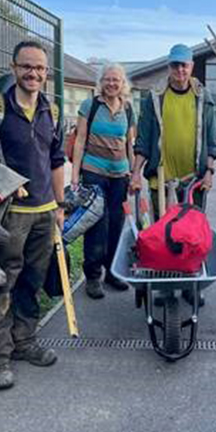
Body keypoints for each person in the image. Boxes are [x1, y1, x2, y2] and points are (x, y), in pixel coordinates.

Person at [0, 40, 64, 390]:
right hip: (8, 217)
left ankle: (24, 342)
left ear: (46, 73)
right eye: (26, 66)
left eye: (39, 68)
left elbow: (56, 161)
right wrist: (6, 184)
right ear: (13, 67)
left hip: (44, 214)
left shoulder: (53, 110)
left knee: (32, 284)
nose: (33, 73)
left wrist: (60, 206)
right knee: (3, 285)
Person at [130, 43, 216, 305]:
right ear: (168, 67)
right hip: (162, 179)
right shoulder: (155, 97)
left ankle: (191, 287)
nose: (180, 69)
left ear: (191, 67)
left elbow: (212, 139)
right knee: (164, 236)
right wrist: (136, 173)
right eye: (175, 65)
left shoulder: (203, 96)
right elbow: (143, 140)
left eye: (184, 65)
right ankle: (167, 288)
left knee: (192, 236)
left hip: (194, 179)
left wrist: (210, 171)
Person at [70, 63, 136, 299]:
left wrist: (133, 173)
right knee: (96, 224)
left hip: (120, 175)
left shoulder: (128, 108)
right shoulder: (90, 105)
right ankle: (93, 277)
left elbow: (129, 143)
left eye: (116, 80)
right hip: (93, 171)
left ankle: (113, 272)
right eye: (107, 79)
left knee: (117, 223)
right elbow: (80, 140)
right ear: (101, 82)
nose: (111, 84)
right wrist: (75, 175)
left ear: (122, 83)